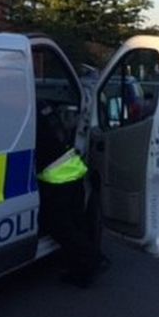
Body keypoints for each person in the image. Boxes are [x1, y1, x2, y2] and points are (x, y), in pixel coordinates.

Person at [34, 100, 107, 287]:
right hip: (71, 168)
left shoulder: (28, 111)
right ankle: (83, 267)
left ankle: (92, 261)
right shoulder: (42, 106)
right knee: (75, 223)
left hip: (58, 175)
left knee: (59, 226)